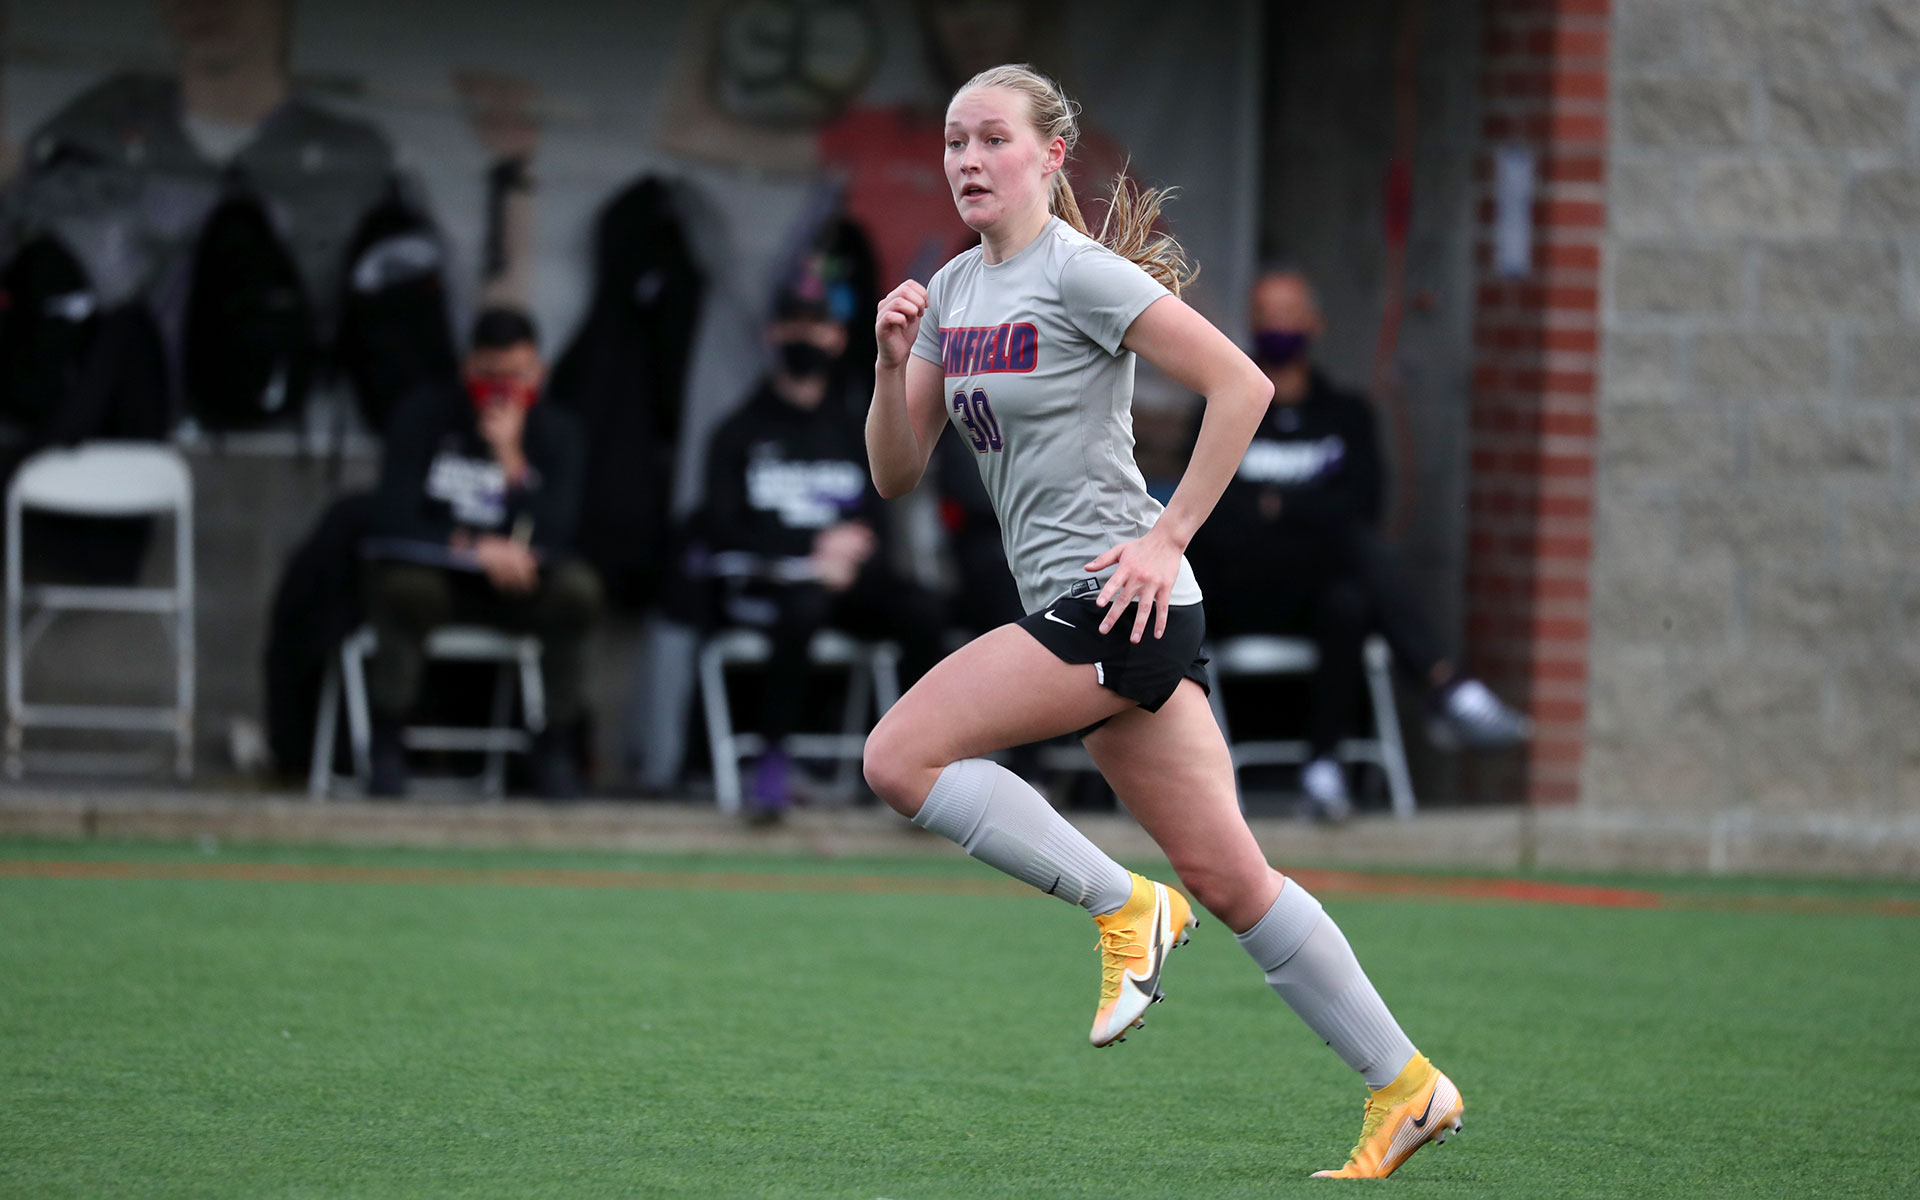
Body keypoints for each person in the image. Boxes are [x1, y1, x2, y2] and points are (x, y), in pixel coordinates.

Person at [861, 64, 1463, 1180]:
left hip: (1125, 604)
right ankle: (1408, 1086)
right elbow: (899, 472)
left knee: (898, 757)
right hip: (1093, 612)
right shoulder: (949, 291)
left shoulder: (1081, 274)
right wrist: (893, 362)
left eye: (992, 139)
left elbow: (1244, 386)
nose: (967, 161)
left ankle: (1126, 906)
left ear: (1050, 155)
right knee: (1237, 883)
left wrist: (1167, 534)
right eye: (954, 142)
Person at [1188, 269, 1531, 818]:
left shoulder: (1346, 415)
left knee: (1349, 597)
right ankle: (1441, 684)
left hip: (1317, 589)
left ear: (1313, 325)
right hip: (1238, 593)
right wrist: (1310, 507)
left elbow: (1365, 507)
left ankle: (1323, 769)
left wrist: (1276, 504)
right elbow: (1212, 518)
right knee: (1348, 547)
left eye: (1288, 315)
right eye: (1265, 316)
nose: (1277, 327)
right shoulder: (1220, 409)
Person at [701, 256, 945, 822]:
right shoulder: (737, 432)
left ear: (837, 338)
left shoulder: (852, 427)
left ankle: (926, 765)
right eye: (792, 324)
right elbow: (716, 526)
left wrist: (852, 549)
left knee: (924, 610)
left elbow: (879, 516)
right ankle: (772, 764)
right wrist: (807, 556)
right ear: (772, 333)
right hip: (771, 586)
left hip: (849, 584)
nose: (803, 337)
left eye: (816, 326)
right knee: (803, 605)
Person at [362, 308, 603, 800]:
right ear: (467, 368)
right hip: (440, 582)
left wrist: (513, 462)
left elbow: (561, 528)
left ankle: (556, 744)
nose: (502, 389)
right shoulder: (423, 416)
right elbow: (389, 514)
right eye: (489, 375)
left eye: (516, 375)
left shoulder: (558, 431)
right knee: (402, 589)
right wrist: (473, 546)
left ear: (539, 372)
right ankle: (387, 743)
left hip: (520, 587)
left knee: (578, 592)